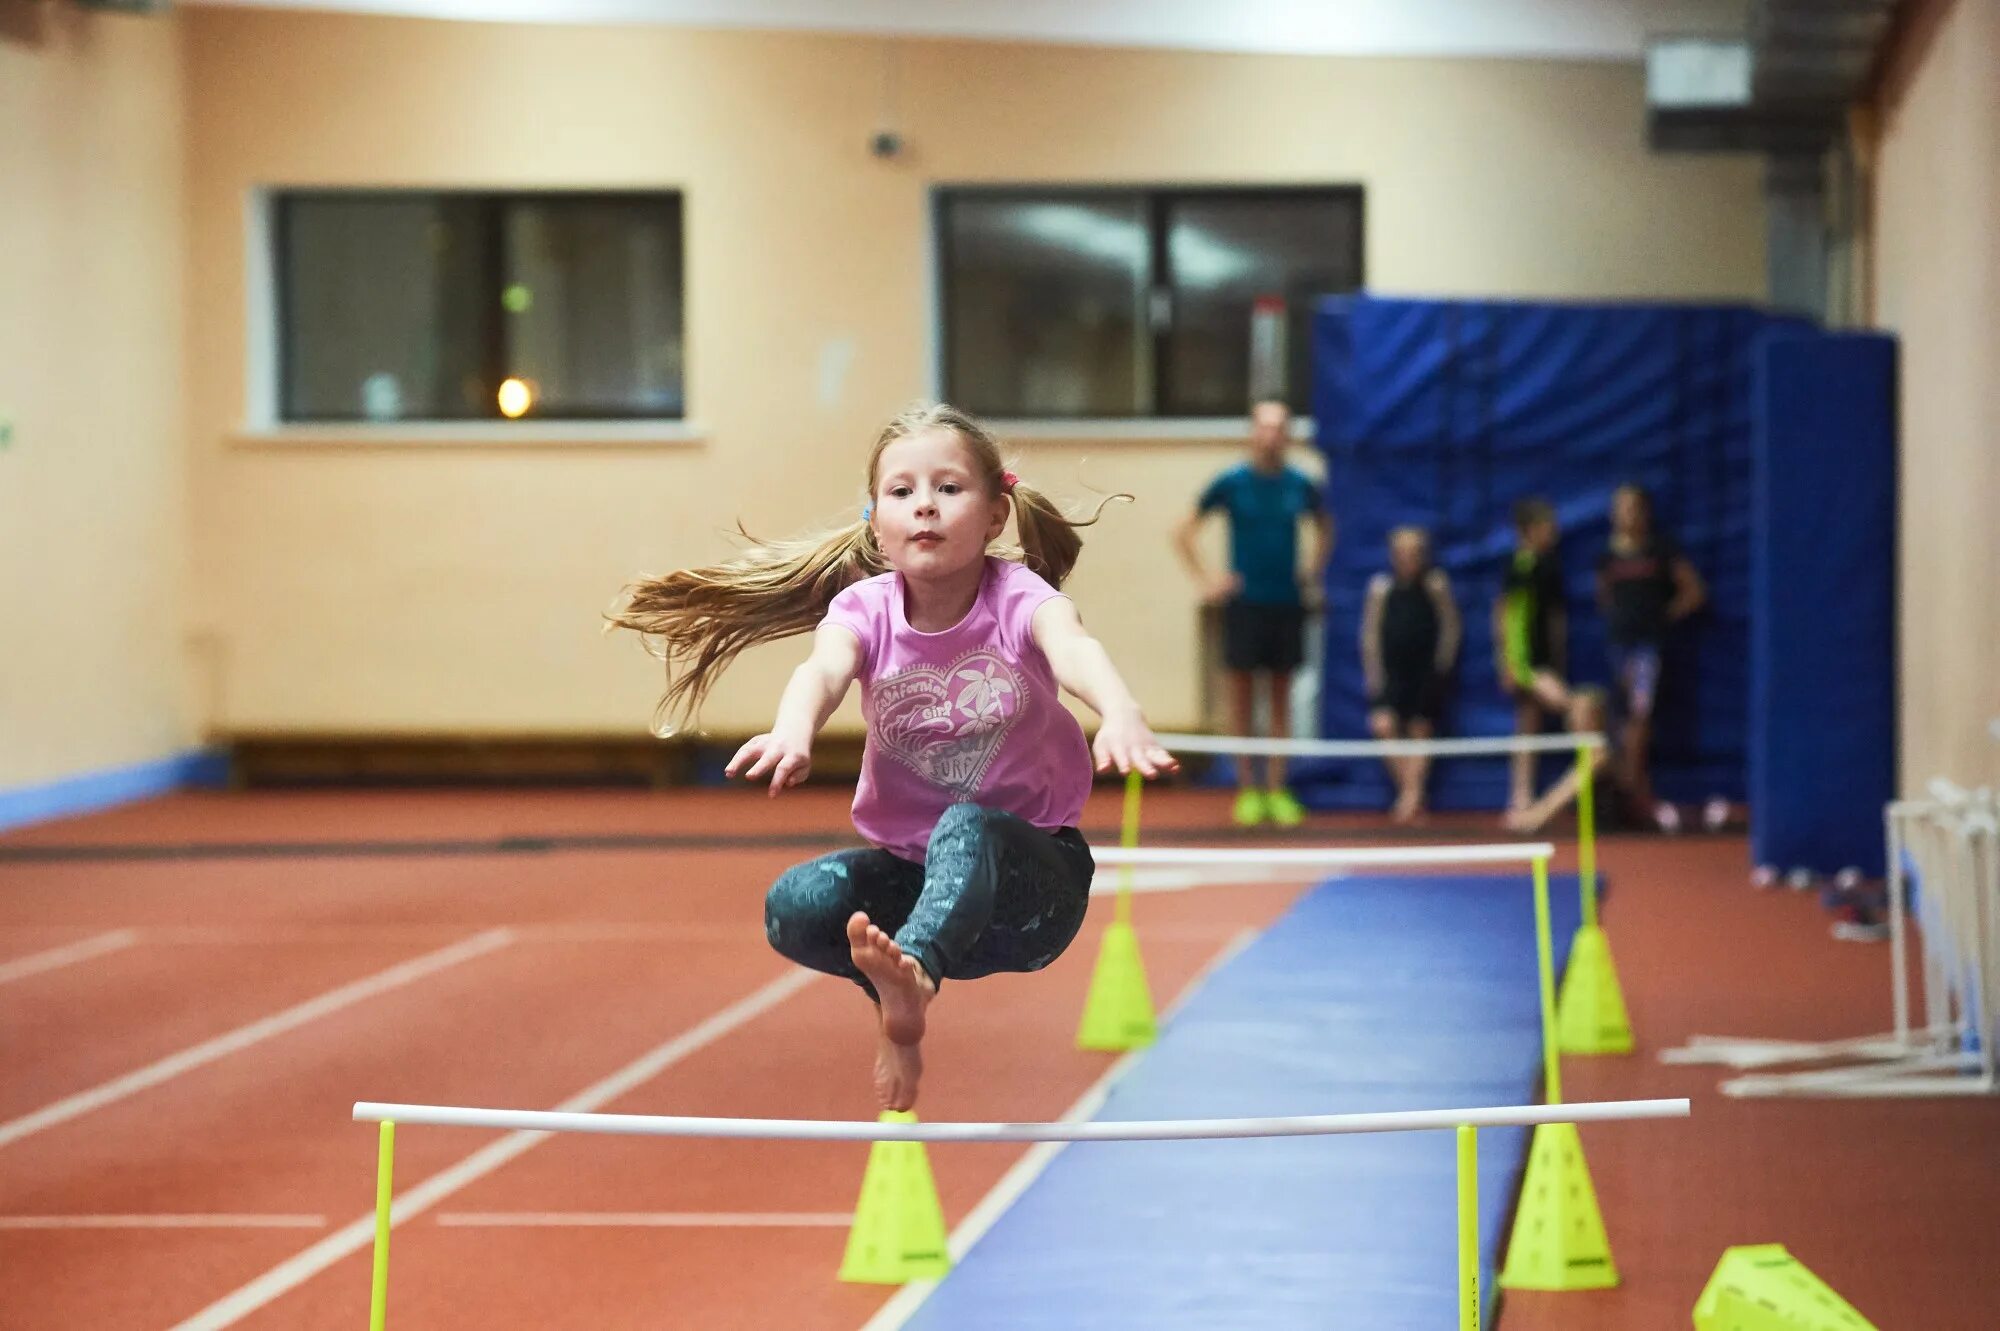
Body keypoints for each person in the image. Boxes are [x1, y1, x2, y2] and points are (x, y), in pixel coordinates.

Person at [609, 404, 1175, 1112]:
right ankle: (898, 995)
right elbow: (821, 669)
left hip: (1030, 886)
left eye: (948, 488)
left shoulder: (1020, 597)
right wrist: (793, 730)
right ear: (876, 521)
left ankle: (916, 975)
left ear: (997, 513)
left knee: (966, 825)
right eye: (902, 492)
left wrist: (1120, 711)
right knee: (795, 904)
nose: (925, 507)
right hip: (915, 887)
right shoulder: (863, 610)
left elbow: (1074, 648)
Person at [1173, 400, 1334, 827]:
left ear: (1286, 436)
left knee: (1280, 698)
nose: (1271, 435)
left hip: (1286, 602)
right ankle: (1248, 790)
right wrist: (1209, 579)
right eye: (1264, 427)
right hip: (1244, 605)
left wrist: (1311, 574)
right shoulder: (1231, 482)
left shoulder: (1301, 484)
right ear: (1253, 433)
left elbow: (1326, 528)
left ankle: (1277, 790)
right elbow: (1183, 530)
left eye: (1279, 427)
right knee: (1242, 699)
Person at [1596, 483, 1707, 831]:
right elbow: (1604, 598)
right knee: (1620, 717)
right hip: (1619, 645)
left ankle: (1635, 788)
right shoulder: (1607, 556)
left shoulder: (1661, 549)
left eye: (1631, 507)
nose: (1624, 514)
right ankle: (1627, 790)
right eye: (1619, 507)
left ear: (1644, 512)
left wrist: (1662, 617)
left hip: (1647, 646)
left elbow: (1694, 593)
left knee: (1640, 715)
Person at [1359, 526, 1461, 822]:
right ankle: (1412, 792)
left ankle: (1410, 798)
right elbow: (1370, 634)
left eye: (1414, 553)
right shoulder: (1381, 587)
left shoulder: (1435, 584)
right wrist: (1374, 673)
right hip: (1393, 671)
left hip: (1425, 671)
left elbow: (1450, 626)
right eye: (1401, 553)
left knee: (1420, 730)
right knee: (1383, 725)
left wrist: (1442, 667)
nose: (1408, 559)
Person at [1494, 498, 1572, 817]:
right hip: (1527, 663)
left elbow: (1555, 620)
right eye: (1546, 527)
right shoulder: (1519, 566)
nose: (1552, 532)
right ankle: (1524, 798)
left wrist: (1559, 657)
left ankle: (1522, 799)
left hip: (1542, 660)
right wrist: (1509, 663)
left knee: (1528, 728)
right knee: (1571, 711)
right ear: (1528, 531)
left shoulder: (1549, 566)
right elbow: (1505, 614)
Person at [1502, 688, 1614, 833]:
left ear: (1597, 719)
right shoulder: (1583, 753)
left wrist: (1537, 814)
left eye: (1582, 715)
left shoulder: (1602, 753)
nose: (1573, 720)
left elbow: (1571, 785)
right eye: (1572, 713)